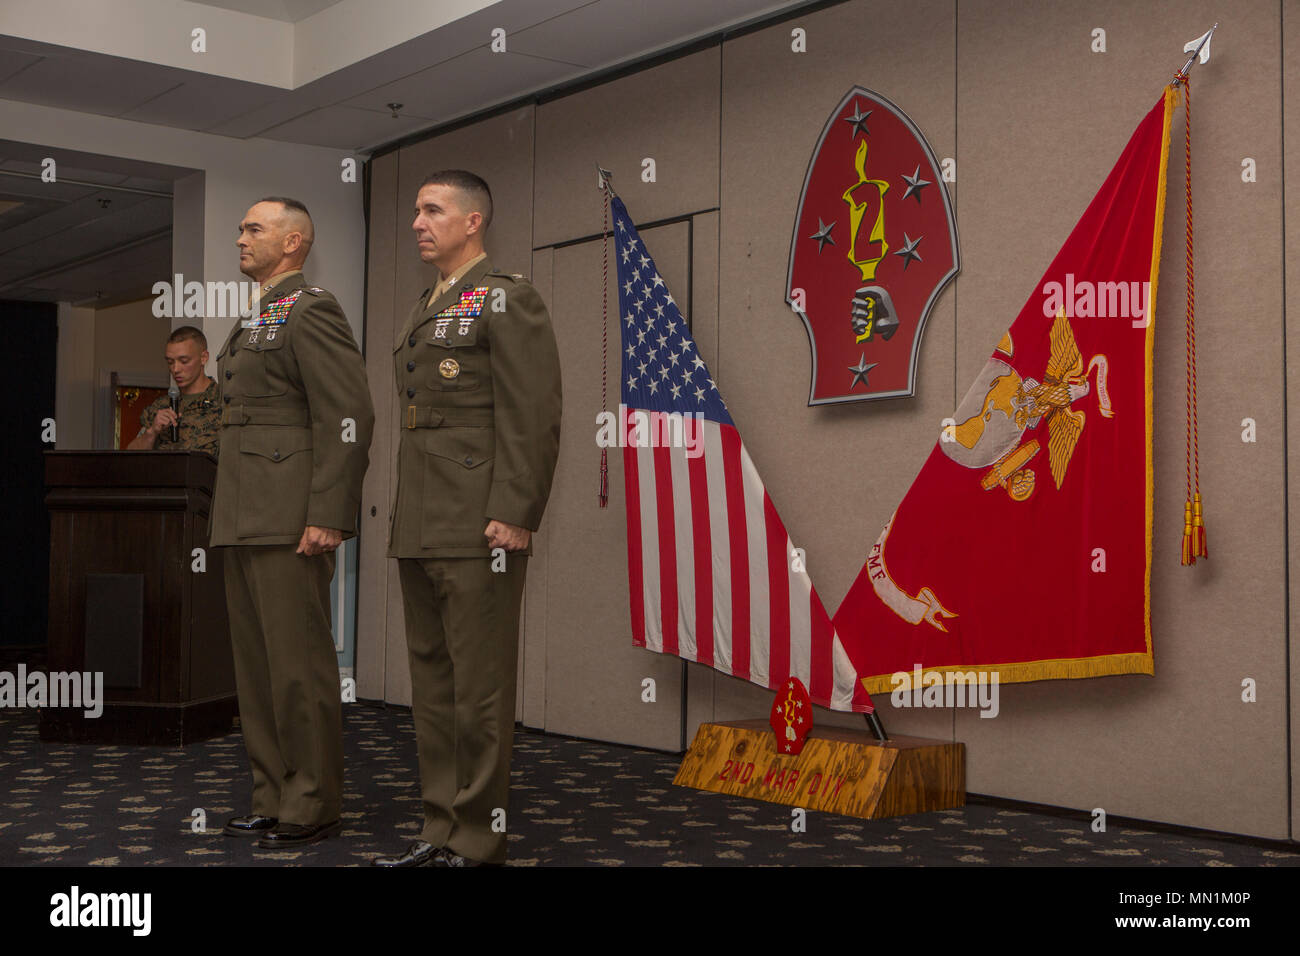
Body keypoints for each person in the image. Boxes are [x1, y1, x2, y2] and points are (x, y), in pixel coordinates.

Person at [371, 170, 561, 867]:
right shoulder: (429, 303)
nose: (418, 221)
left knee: (478, 689)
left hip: (482, 521)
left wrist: (515, 510)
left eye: (433, 209)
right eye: (416, 209)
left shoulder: (507, 298)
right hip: (422, 519)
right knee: (433, 688)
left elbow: (532, 413)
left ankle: (479, 836)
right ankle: (439, 827)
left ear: (473, 220)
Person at [210, 196, 374, 848]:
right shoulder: (257, 316)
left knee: (299, 669)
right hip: (243, 514)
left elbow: (349, 416)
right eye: (242, 226)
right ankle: (272, 794)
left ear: (293, 242)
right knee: (256, 670)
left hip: (289, 519)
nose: (241, 237)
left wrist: (328, 513)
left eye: (254, 228)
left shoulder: (312, 308)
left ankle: (313, 802)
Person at [126, 326, 220, 455]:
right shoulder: (160, 406)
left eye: (184, 361)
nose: (175, 369)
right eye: (170, 362)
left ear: (203, 358)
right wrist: (152, 432)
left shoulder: (225, 401)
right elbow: (128, 457)